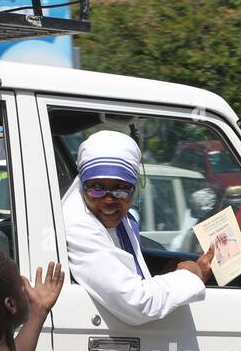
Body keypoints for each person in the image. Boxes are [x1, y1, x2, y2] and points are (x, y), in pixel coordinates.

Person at [62, 130, 212, 325]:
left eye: (121, 189)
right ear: (83, 184)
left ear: (134, 188)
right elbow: (136, 303)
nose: (109, 200)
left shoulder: (114, 218)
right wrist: (192, 274)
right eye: (97, 188)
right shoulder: (79, 226)